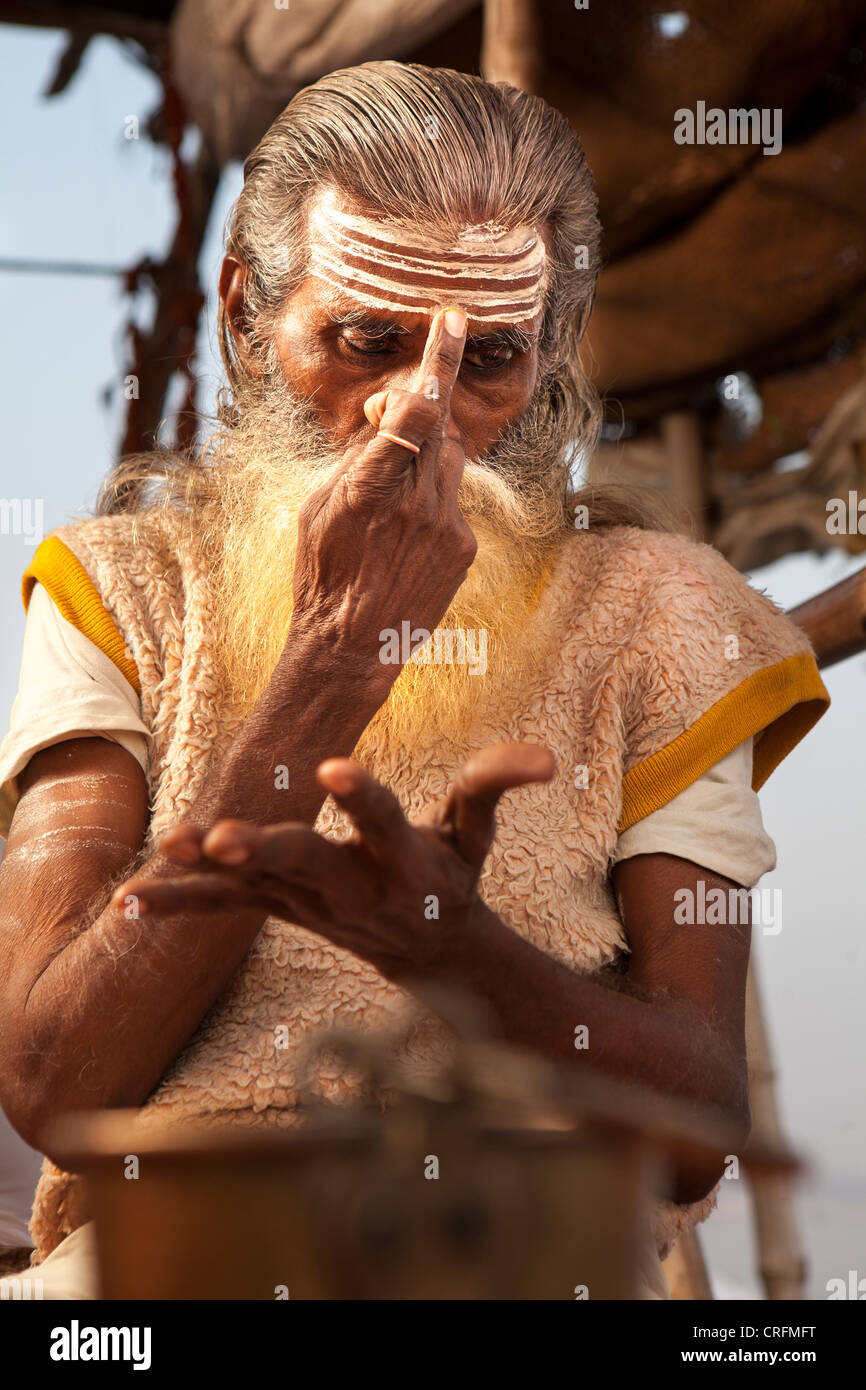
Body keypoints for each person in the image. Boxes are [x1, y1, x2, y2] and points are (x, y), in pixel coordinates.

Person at [0, 61, 829, 1300]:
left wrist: (448, 945)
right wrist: (330, 668)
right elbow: (58, 1084)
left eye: (487, 358)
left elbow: (692, 1122)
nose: (420, 414)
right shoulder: (120, 589)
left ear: (546, 356)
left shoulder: (665, 614)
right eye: (367, 341)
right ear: (243, 317)